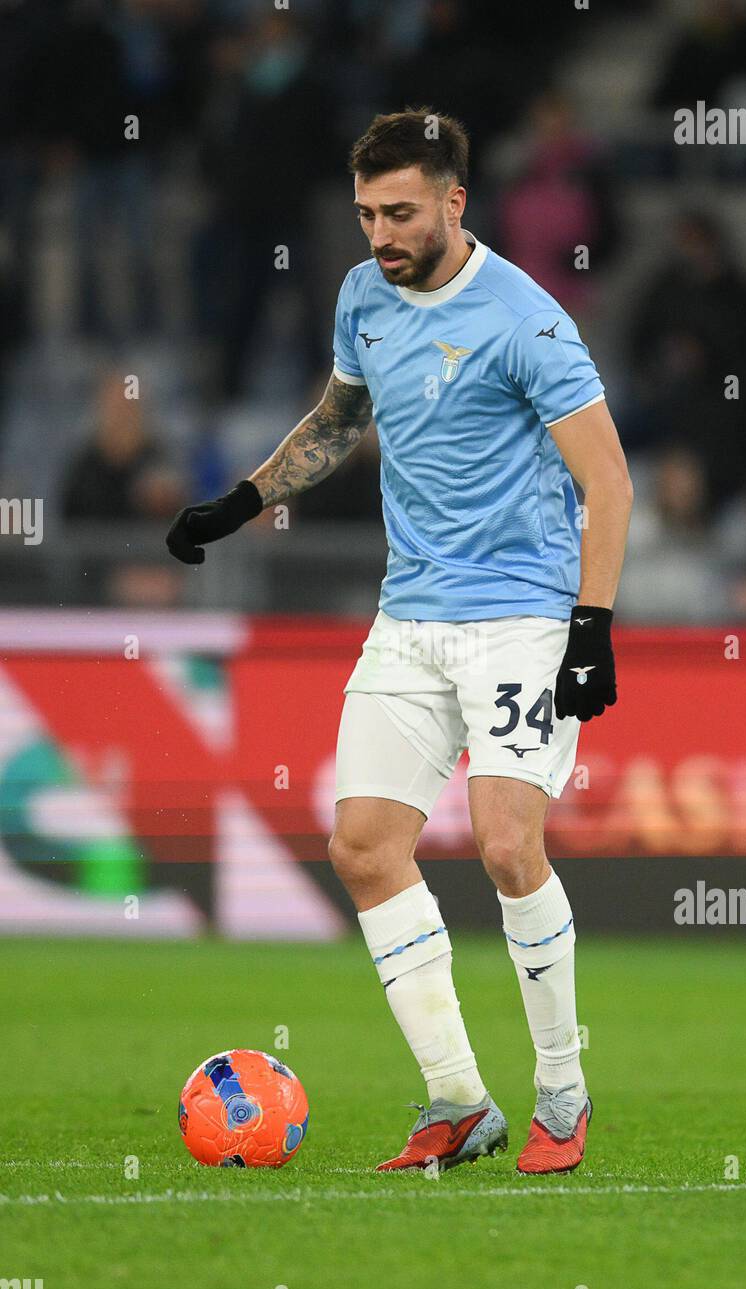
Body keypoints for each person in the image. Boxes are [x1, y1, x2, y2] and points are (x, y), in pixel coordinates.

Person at [166, 109, 632, 1176]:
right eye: (367, 212)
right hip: (408, 618)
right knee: (363, 848)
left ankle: (560, 1086)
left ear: (454, 203)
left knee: (508, 844)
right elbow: (338, 419)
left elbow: (606, 480)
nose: (379, 232)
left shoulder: (525, 318)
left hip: (519, 616)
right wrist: (239, 501)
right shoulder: (362, 295)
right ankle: (459, 1101)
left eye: (401, 212)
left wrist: (590, 629)